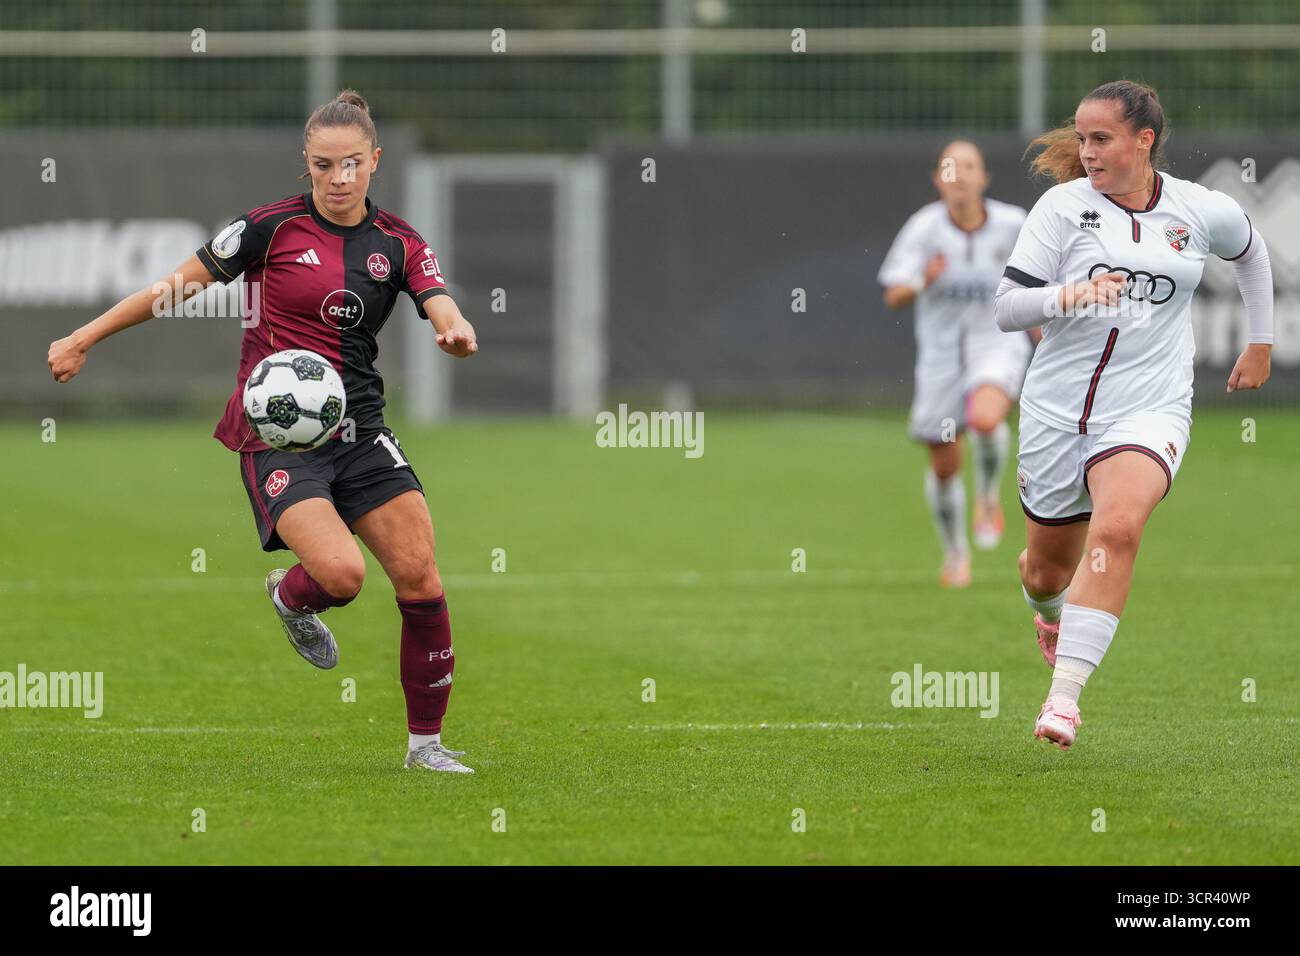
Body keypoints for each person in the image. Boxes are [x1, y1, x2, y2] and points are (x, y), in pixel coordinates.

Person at [47, 89, 482, 774]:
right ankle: (291, 595)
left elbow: (439, 301)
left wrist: (452, 329)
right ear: (305, 165)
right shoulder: (267, 228)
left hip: (362, 432)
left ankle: (425, 748)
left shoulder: (399, 243)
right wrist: (85, 335)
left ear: (375, 161)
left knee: (421, 581)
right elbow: (172, 287)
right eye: (322, 165)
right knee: (341, 576)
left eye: (351, 165)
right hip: (277, 437)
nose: (337, 179)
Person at [993, 80, 1273, 749]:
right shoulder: (1062, 208)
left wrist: (1259, 341)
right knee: (1044, 572)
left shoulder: (1198, 209)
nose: (1087, 152)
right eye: (1082, 139)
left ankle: (1062, 702)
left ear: (1144, 140)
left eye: (1101, 139)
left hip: (1149, 408)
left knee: (1116, 530)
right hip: (1058, 412)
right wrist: (1070, 294)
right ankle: (1049, 613)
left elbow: (1251, 252)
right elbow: (1008, 307)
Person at [879, 141, 1037, 587]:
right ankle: (955, 555)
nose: (959, 175)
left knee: (986, 419)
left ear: (983, 177)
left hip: (997, 343)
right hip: (941, 358)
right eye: (950, 167)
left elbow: (1038, 285)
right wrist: (921, 281)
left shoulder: (1013, 224)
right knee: (945, 464)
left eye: (969, 166)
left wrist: (1042, 330)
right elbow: (893, 294)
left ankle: (987, 496)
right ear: (938, 179)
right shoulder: (924, 229)